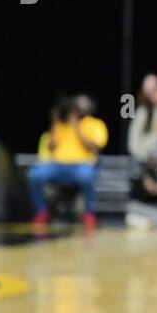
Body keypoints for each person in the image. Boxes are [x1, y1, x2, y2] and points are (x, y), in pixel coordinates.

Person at [29, 95, 108, 229]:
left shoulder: (95, 123)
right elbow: (51, 146)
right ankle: (41, 212)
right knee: (34, 175)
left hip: (81, 165)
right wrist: (54, 120)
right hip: (58, 165)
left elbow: (92, 147)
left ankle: (89, 213)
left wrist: (76, 125)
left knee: (87, 176)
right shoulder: (61, 124)